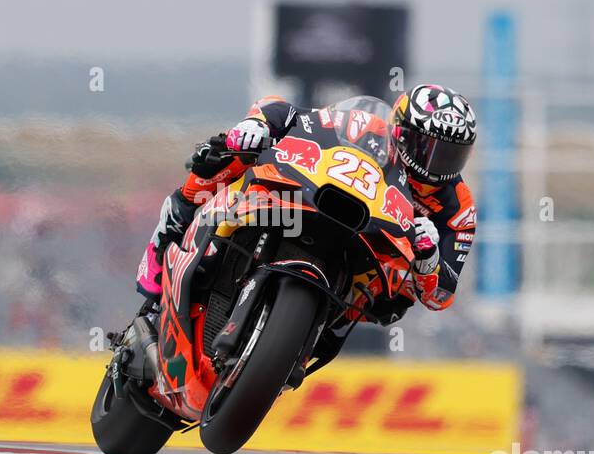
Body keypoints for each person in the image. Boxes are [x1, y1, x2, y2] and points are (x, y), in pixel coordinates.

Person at [136, 83, 478, 318]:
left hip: (373, 253)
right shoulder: (367, 126)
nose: (438, 163)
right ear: (401, 131)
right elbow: (286, 113)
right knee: (229, 151)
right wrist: (257, 124)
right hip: (317, 202)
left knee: (392, 305)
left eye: (452, 155)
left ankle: (296, 346)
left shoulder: (458, 209)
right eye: (429, 148)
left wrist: (429, 258)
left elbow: (441, 295)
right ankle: (176, 220)